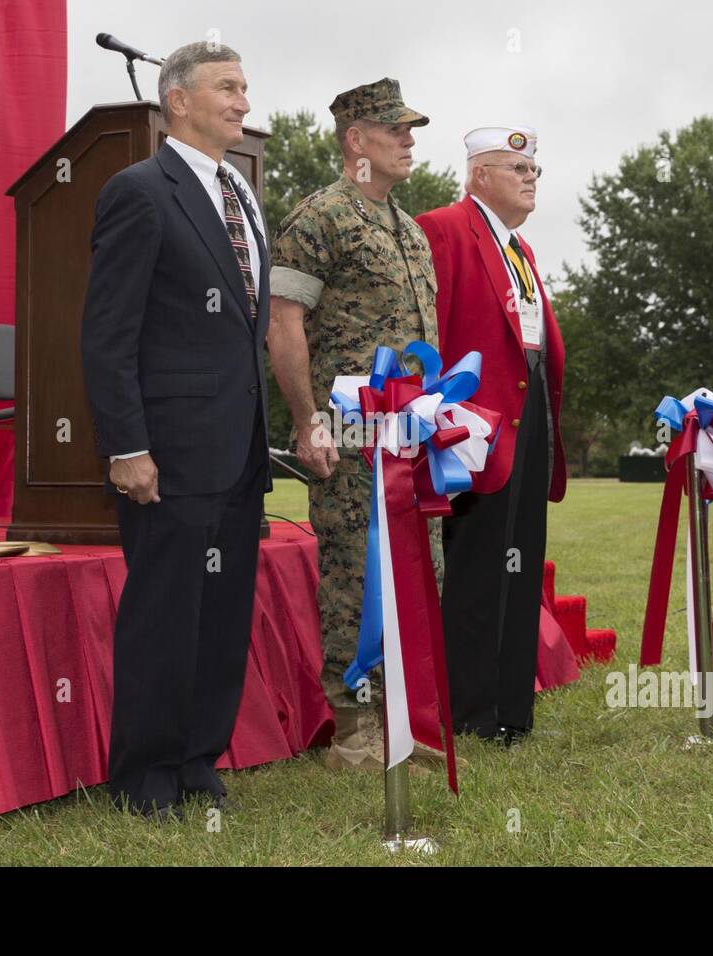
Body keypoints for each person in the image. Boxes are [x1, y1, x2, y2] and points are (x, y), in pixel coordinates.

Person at [80, 41, 270, 819]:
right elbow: (106, 332)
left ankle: (198, 756)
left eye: (246, 87)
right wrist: (127, 446)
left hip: (241, 445)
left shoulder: (243, 194)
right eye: (227, 87)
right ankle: (145, 775)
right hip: (170, 449)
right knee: (166, 612)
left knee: (223, 611)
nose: (243, 102)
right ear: (178, 100)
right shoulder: (139, 191)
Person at [267, 78, 444, 770]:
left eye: (410, 130)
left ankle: (403, 718)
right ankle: (354, 728)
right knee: (352, 575)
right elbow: (283, 327)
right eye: (395, 129)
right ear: (355, 140)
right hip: (349, 437)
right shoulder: (320, 219)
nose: (408, 140)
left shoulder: (408, 228)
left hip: (411, 441)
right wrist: (309, 421)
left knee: (414, 572)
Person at [415, 126, 567, 745]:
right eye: (516, 168)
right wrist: (438, 412)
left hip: (529, 415)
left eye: (534, 170)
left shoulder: (521, 250)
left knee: (521, 562)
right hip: (474, 424)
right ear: (478, 175)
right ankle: (469, 715)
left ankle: (511, 711)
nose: (530, 178)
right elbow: (430, 328)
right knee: (477, 567)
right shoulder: (444, 228)